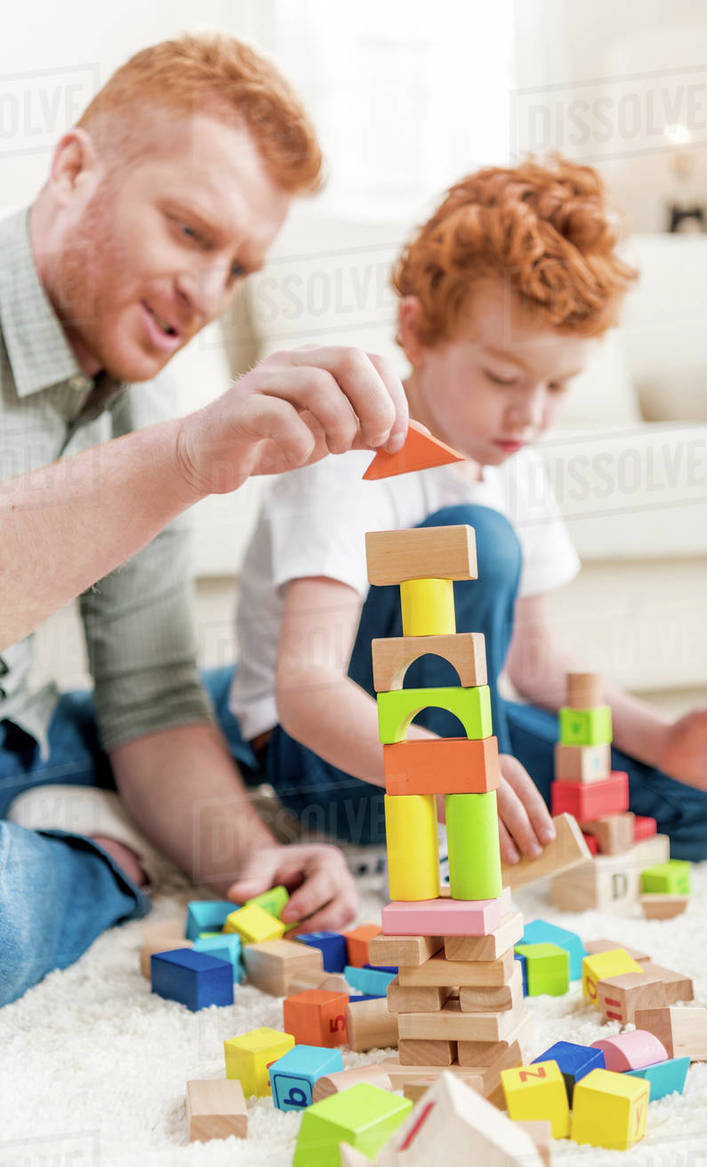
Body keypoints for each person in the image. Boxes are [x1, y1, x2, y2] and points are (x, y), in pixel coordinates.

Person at [0, 33, 409, 1007]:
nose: (209, 295)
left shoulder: (137, 400)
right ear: (72, 171)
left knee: (271, 700)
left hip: (27, 728)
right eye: (190, 231)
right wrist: (185, 461)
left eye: (238, 267)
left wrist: (254, 861)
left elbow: (149, 697)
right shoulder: (167, 441)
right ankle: (97, 859)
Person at [231, 159, 707, 866]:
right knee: (478, 540)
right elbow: (306, 690)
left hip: (460, 722)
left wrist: (663, 739)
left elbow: (537, 661)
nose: (529, 413)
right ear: (417, 332)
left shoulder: (510, 458)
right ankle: (449, 797)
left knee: (702, 811)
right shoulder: (347, 459)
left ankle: (498, 797)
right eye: (502, 377)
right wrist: (451, 768)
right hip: (324, 760)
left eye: (559, 385)